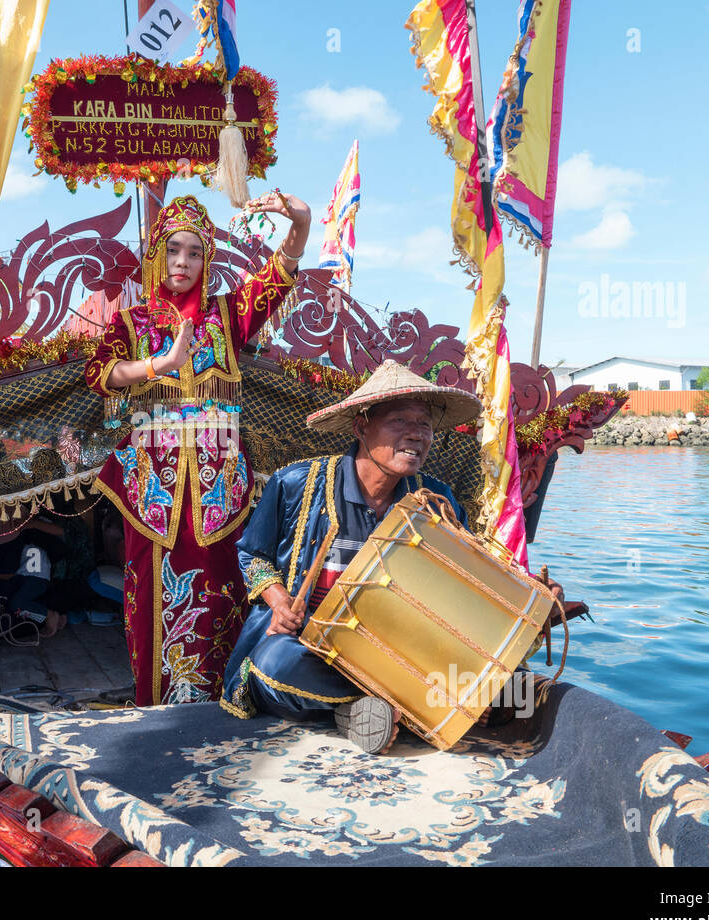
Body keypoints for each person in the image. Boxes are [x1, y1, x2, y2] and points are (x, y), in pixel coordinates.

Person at [85, 192, 312, 706]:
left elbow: (280, 275)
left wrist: (299, 223)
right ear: (156, 256)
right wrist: (158, 366)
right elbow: (102, 375)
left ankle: (226, 701)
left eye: (193, 252)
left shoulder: (228, 318)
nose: (182, 263)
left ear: (206, 261)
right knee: (152, 598)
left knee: (221, 594)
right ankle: (156, 705)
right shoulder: (133, 323)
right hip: (154, 496)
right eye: (172, 251)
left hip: (219, 495)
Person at [220, 361, 486, 753]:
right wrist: (278, 601)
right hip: (309, 650)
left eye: (425, 424)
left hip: (396, 657)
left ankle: (360, 712)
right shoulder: (295, 484)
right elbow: (252, 556)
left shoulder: (436, 502)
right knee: (272, 665)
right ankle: (397, 708)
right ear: (361, 425)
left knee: (495, 673)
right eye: (399, 421)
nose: (417, 434)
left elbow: (467, 582)